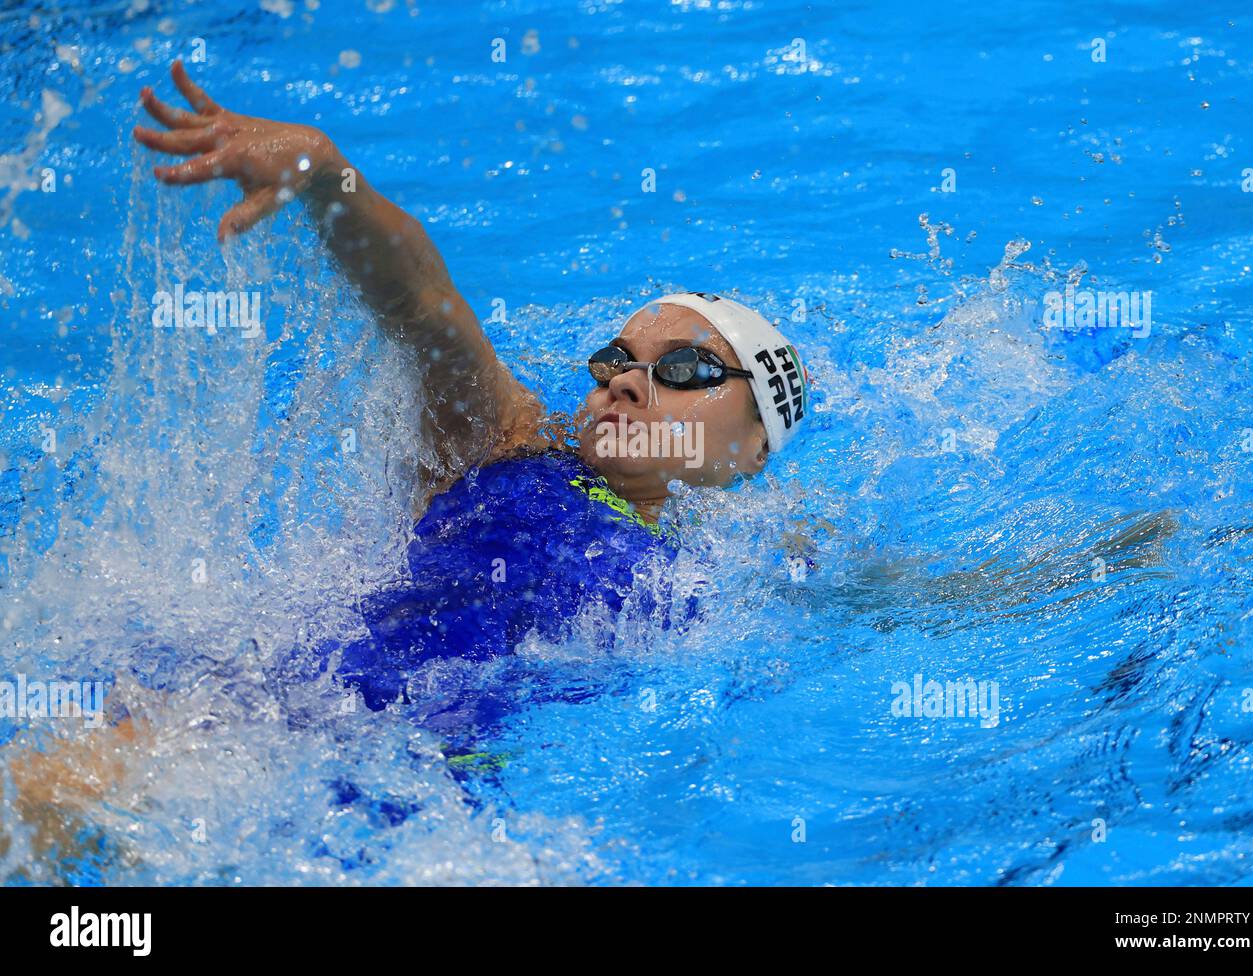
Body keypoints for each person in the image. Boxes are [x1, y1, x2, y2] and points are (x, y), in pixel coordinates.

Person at [130, 60, 812, 714]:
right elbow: (426, 311)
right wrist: (327, 176)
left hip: (428, 787)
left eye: (685, 368)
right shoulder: (513, 449)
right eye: (615, 360)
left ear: (757, 445)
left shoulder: (729, 578)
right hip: (276, 713)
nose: (630, 383)